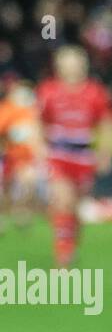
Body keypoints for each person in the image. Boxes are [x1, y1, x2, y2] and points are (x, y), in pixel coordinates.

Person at [36, 47, 112, 267]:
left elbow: (105, 123)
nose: (71, 68)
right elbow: (38, 121)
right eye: (67, 64)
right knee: (63, 202)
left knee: (77, 208)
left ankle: (71, 241)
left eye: (75, 64)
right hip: (58, 154)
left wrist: (105, 154)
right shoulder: (48, 91)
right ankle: (63, 253)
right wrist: (40, 147)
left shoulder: (94, 92)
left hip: (83, 156)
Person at [0, 79, 46, 236]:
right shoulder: (6, 109)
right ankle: (4, 217)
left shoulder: (34, 112)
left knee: (29, 183)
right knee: (6, 189)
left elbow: (39, 133)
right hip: (9, 157)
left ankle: (22, 211)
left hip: (26, 159)